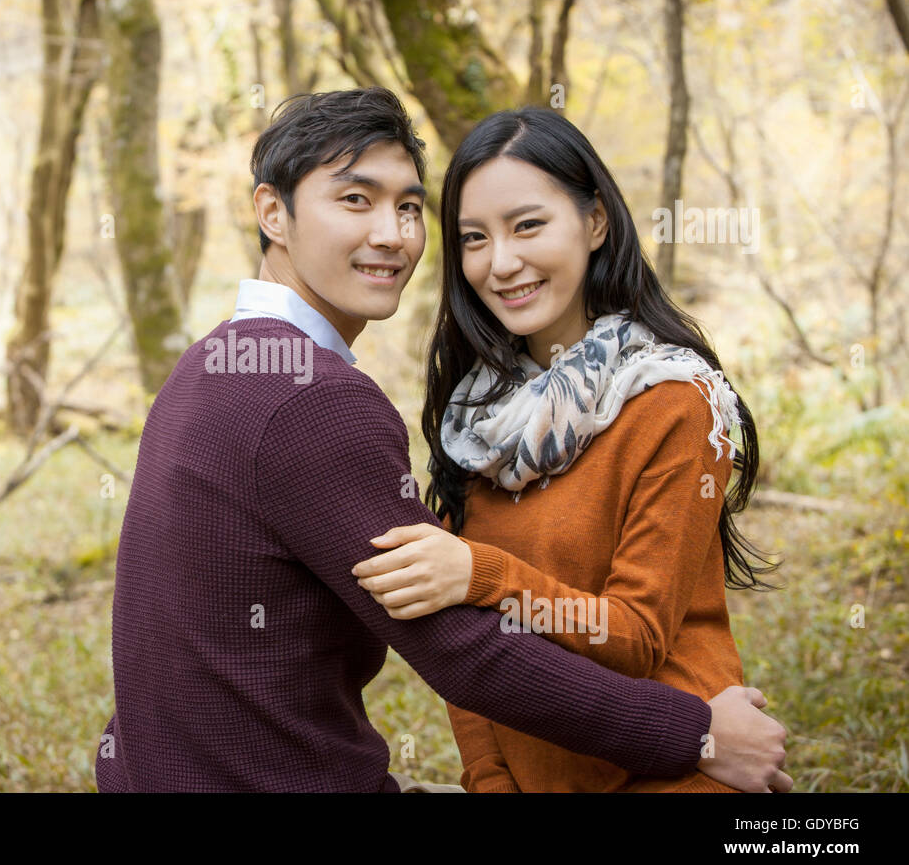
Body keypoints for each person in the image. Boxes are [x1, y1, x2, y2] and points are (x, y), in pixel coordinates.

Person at [94, 88, 790, 793]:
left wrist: (691, 734)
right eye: (355, 200)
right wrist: (688, 733)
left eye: (407, 208)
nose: (393, 234)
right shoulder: (336, 402)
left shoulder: (210, 362)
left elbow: (505, 631)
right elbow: (462, 650)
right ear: (273, 213)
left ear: (596, 222)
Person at [353, 106, 781, 791]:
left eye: (528, 225)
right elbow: (464, 650)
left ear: (595, 222)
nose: (502, 263)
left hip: (678, 765)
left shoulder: (671, 400)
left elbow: (637, 637)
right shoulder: (477, 418)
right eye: (474, 238)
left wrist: (481, 574)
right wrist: (490, 781)